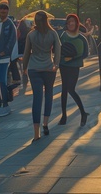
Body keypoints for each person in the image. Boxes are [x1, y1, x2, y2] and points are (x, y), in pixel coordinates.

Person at [24, 10, 61, 142]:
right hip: (48, 67)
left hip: (34, 68)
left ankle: (36, 133)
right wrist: (56, 64)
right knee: (49, 94)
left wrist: (24, 68)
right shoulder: (53, 33)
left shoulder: (31, 35)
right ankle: (45, 123)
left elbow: (27, 52)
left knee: (37, 98)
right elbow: (58, 49)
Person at [58, 14, 90, 127]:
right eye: (69, 21)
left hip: (74, 66)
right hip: (63, 65)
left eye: (73, 21)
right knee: (64, 89)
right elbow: (58, 49)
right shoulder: (63, 36)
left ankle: (83, 113)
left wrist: (73, 58)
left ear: (77, 23)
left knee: (70, 89)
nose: (71, 23)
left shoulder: (81, 38)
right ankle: (64, 115)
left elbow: (85, 54)